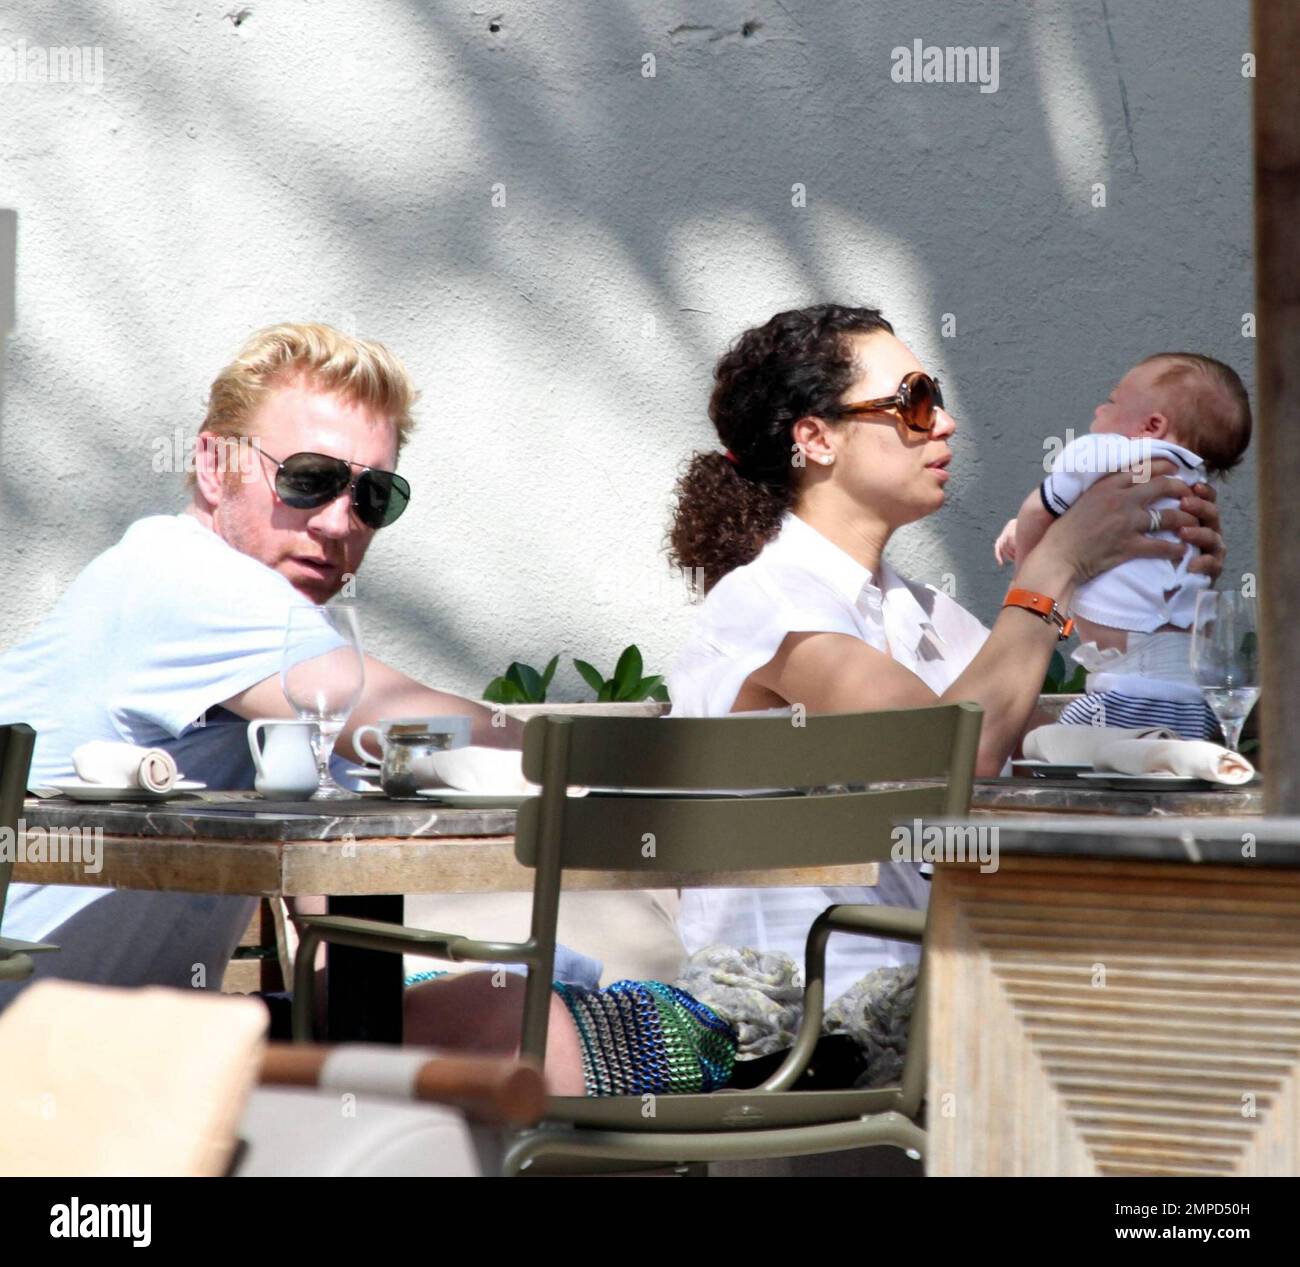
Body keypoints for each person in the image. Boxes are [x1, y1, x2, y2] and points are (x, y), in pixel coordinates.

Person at [0, 323, 600, 1090]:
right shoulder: (186, 579)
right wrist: (642, 763)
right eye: (308, 478)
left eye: (373, 495)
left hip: (124, 1044)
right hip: (38, 1058)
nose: (338, 522)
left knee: (508, 1016)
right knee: (513, 1022)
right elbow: (398, 721)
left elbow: (342, 870)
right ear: (213, 464)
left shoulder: (275, 657)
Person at [664, 304, 1226, 1001]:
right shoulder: (764, 601)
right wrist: (1057, 565)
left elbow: (1059, 763)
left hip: (929, 1013)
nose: (946, 422)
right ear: (816, 438)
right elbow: (945, 756)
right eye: (915, 402)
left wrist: (1162, 603)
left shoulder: (924, 613)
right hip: (799, 1024)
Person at [992, 353, 1251, 738]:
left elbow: (1036, 510)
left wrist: (1024, 575)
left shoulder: (1106, 451)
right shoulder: (1192, 482)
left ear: (1152, 425)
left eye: (1111, 401)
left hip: (1125, 693)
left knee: (1056, 757)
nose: (1099, 408)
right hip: (1193, 699)